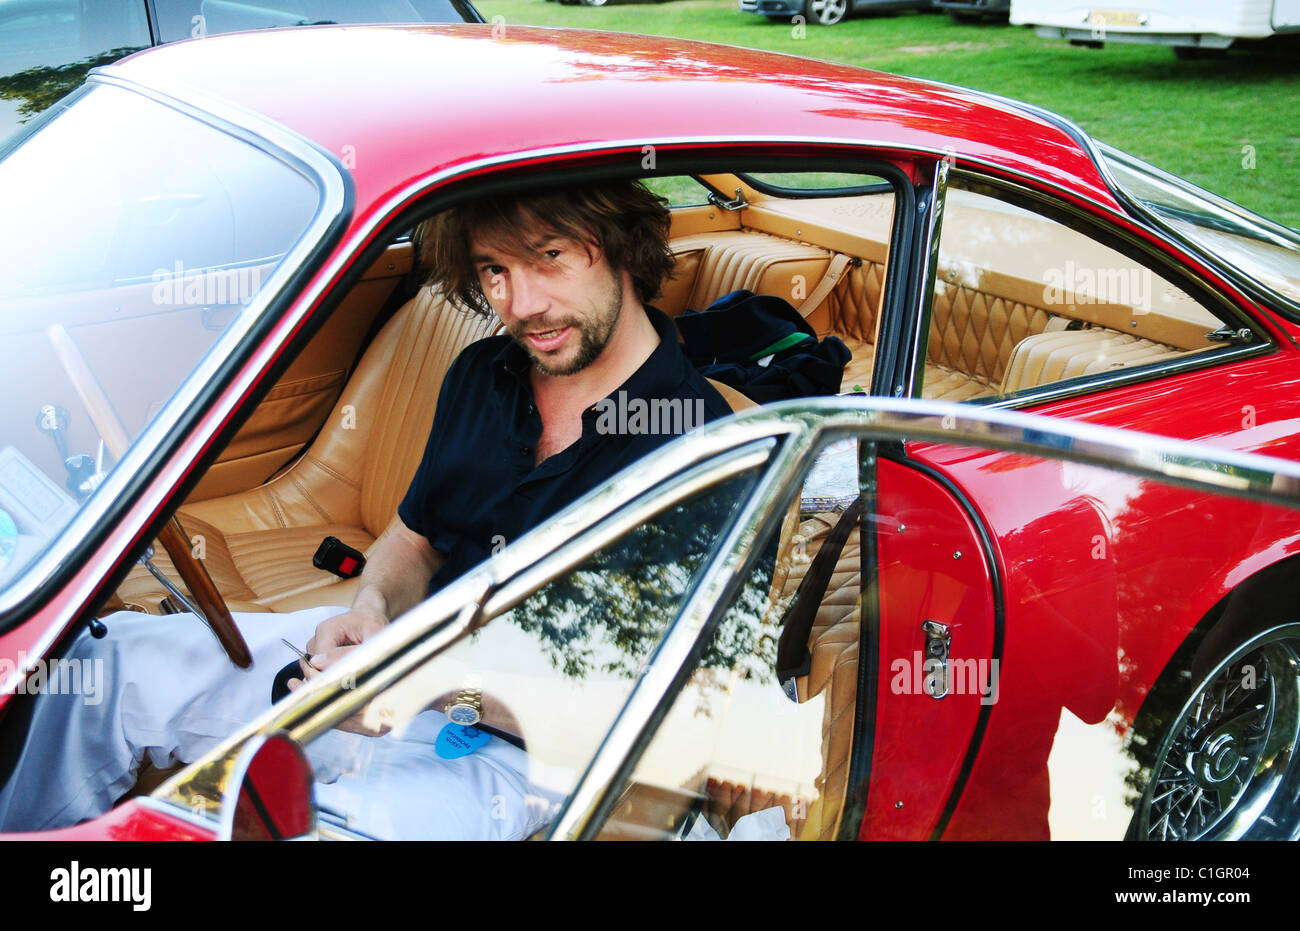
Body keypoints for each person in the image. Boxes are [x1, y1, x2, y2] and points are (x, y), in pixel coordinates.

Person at [0, 179, 733, 839]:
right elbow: (414, 539)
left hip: (527, 758)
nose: (522, 303)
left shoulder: (699, 449)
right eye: (494, 271)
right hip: (395, 674)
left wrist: (417, 679)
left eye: (550, 258)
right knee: (113, 658)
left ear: (622, 249)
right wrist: (373, 611)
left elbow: (651, 720)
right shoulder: (487, 371)